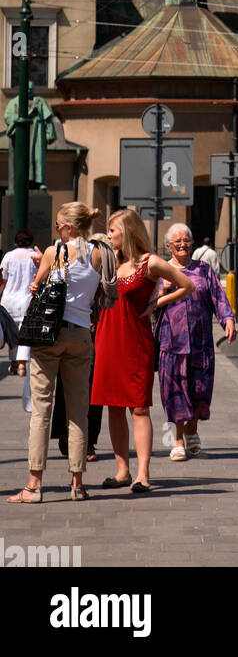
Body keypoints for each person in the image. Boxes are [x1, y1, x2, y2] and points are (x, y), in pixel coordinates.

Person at [90, 209, 194, 494]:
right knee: (112, 406)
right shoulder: (109, 260)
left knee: (138, 407)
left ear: (128, 232)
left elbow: (187, 285)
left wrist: (156, 303)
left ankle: (143, 474)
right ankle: (122, 471)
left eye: (113, 230)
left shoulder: (150, 262)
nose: (109, 235)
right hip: (107, 338)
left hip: (136, 342)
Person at [7, 204, 102, 504]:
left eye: (60, 225)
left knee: (42, 411)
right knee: (78, 410)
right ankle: (78, 483)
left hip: (49, 336)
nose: (57, 229)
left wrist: (38, 274)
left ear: (70, 228)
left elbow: (37, 288)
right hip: (81, 335)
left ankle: (34, 485)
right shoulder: (98, 254)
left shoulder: (54, 251)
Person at [156, 223, 235, 460]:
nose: (182, 244)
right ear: (168, 245)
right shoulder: (160, 271)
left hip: (201, 343)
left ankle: (192, 430)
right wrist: (162, 291)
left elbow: (218, 297)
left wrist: (227, 319)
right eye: (177, 241)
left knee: (199, 389)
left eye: (187, 240)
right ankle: (178, 439)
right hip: (172, 343)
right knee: (176, 390)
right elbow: (146, 305)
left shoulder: (203, 270)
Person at [0, 230, 41, 377]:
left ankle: (13, 362)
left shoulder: (9, 256)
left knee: (12, 332)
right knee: (25, 331)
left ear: (16, 242)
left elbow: (2, 279)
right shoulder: (36, 256)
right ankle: (23, 363)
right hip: (27, 298)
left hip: (9, 299)